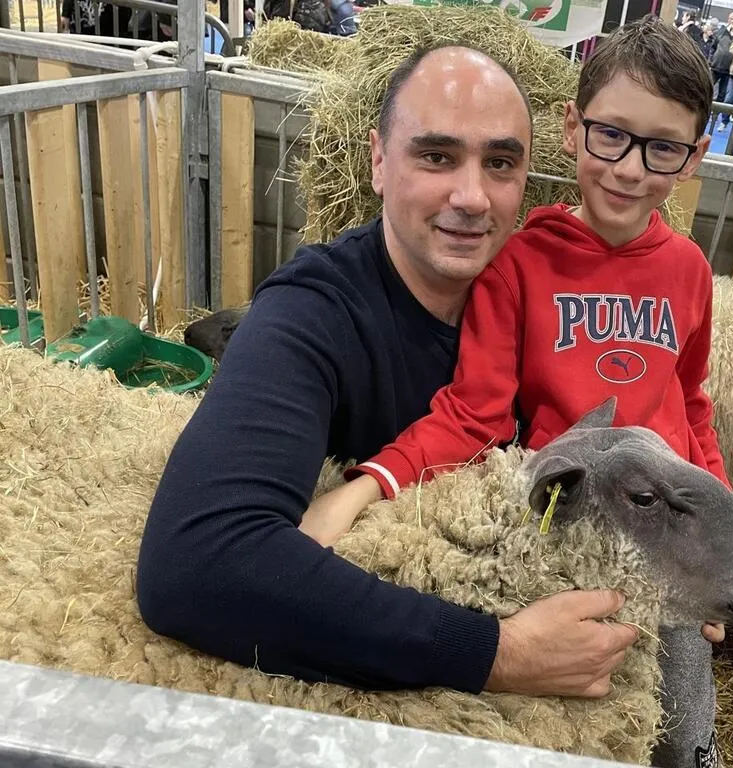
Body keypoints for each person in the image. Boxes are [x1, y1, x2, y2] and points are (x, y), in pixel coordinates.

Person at [136, 44, 654, 700]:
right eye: (436, 156)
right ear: (379, 162)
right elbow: (199, 560)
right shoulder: (312, 313)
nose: (472, 197)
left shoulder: (565, 308)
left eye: (500, 163)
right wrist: (497, 654)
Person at [303, 16, 733, 633]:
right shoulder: (516, 267)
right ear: (572, 128)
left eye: (663, 148)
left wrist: (722, 536)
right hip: (569, 520)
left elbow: (690, 406)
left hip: (669, 533)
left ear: (695, 157)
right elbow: (476, 416)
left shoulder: (689, 270)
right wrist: (366, 486)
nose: (630, 169)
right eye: (611, 135)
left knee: (687, 683)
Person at [710, 12, 733, 130]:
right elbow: (714, 46)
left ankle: (716, 116)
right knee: (707, 88)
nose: (732, 22)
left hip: (729, 70)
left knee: (723, 95)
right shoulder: (722, 31)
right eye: (732, 19)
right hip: (715, 66)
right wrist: (711, 60)